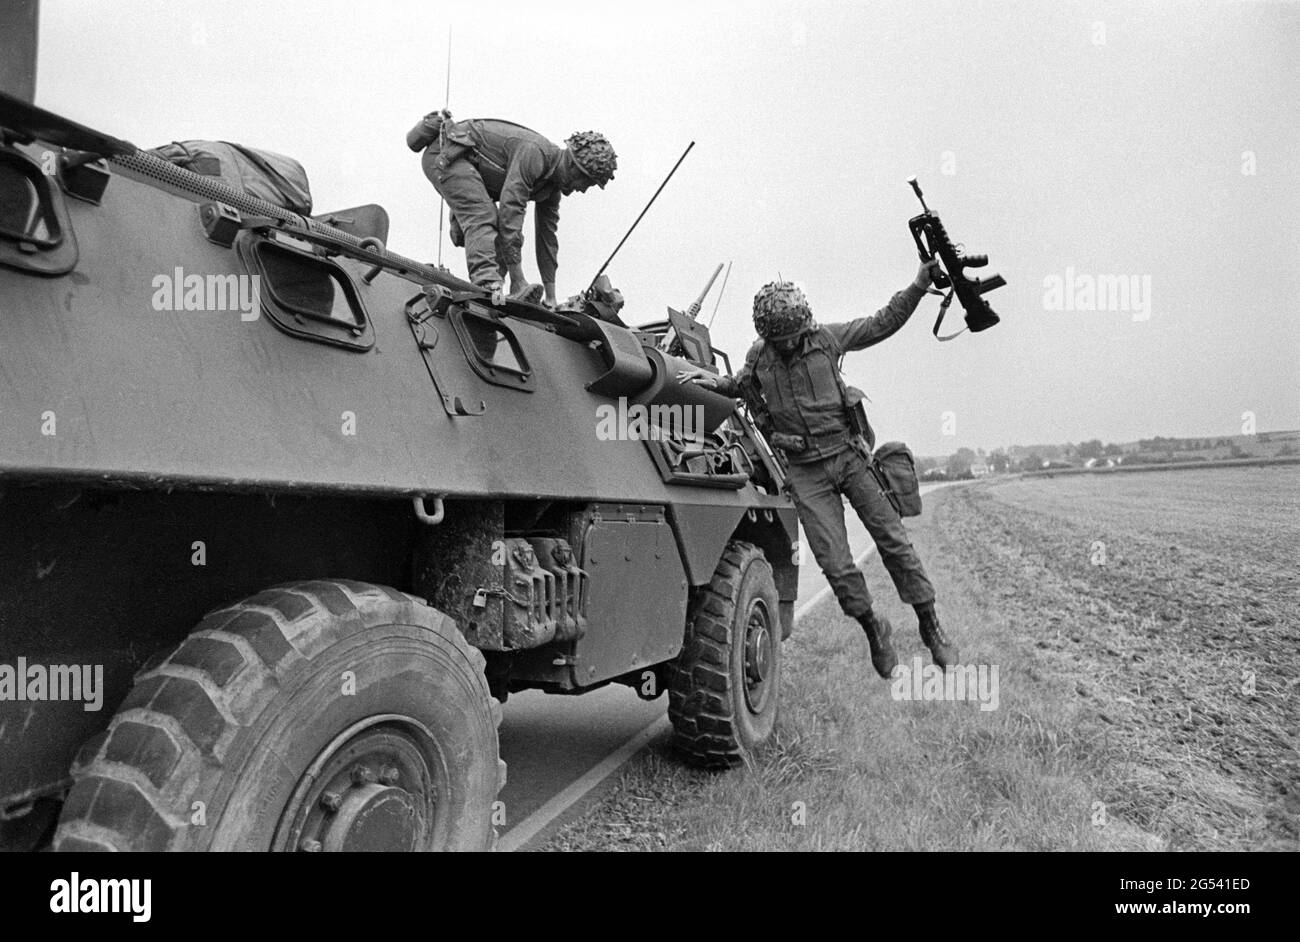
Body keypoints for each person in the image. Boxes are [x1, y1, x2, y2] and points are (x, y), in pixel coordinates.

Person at [678, 262, 957, 678]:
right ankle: (873, 629)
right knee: (836, 565)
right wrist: (706, 380)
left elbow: (882, 322)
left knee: (895, 542)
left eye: (793, 336)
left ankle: (930, 626)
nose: (788, 345)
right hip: (805, 472)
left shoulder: (828, 339)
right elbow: (738, 386)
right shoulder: (760, 356)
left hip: (848, 456)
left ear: (804, 325)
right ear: (768, 335)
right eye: (780, 339)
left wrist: (919, 283)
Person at [419, 116, 616, 306]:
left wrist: (551, 298)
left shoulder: (551, 188)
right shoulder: (535, 154)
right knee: (484, 217)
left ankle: (498, 292)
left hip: (472, 171)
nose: (582, 190)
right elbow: (510, 211)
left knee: (501, 239)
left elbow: (547, 240)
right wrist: (519, 279)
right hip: (447, 156)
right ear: (574, 165)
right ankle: (487, 285)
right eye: (586, 182)